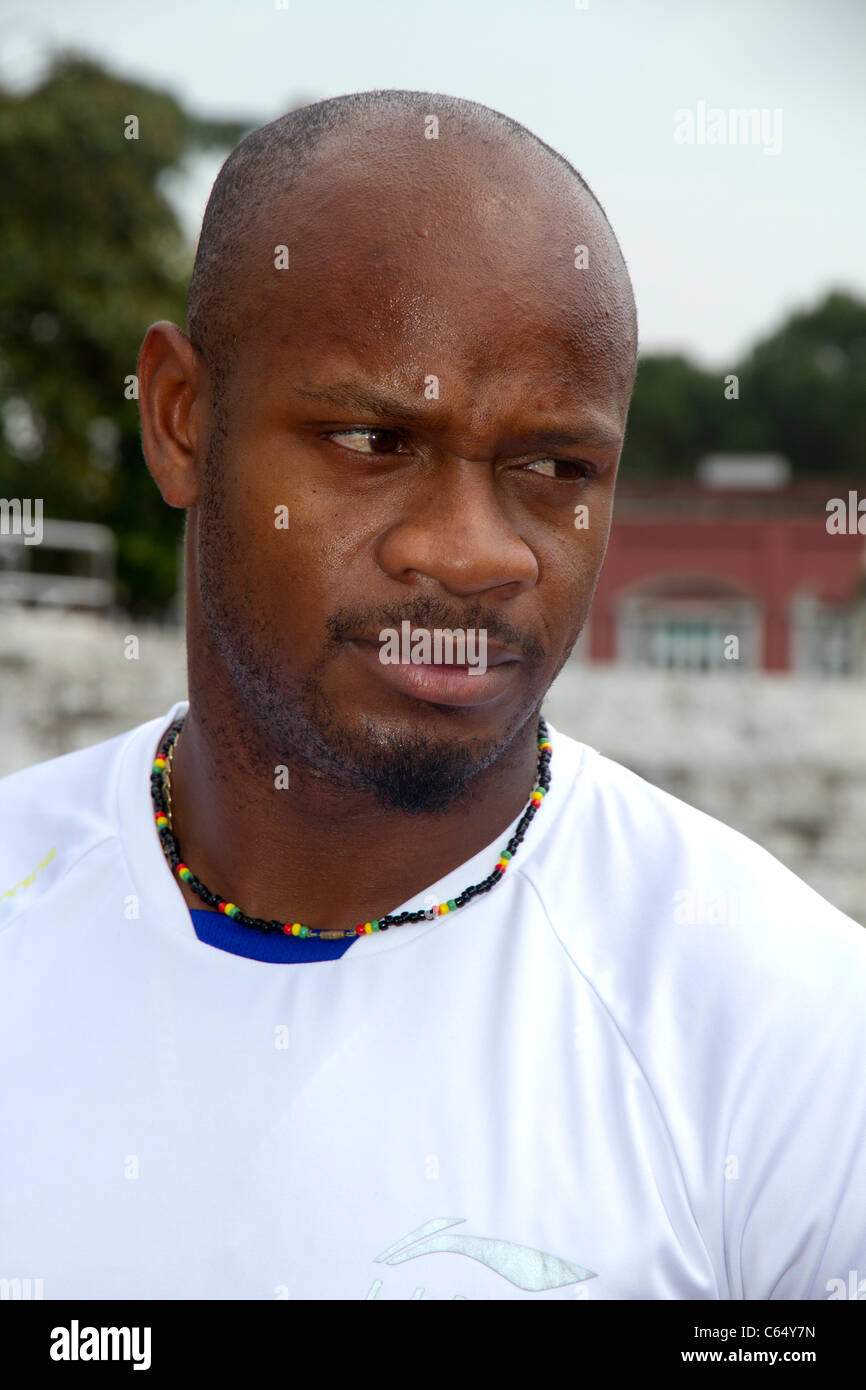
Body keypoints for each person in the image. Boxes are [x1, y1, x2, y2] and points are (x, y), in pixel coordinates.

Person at [1, 89, 864, 1302]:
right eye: (371, 440)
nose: (471, 554)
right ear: (182, 418)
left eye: (554, 467)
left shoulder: (795, 1040)